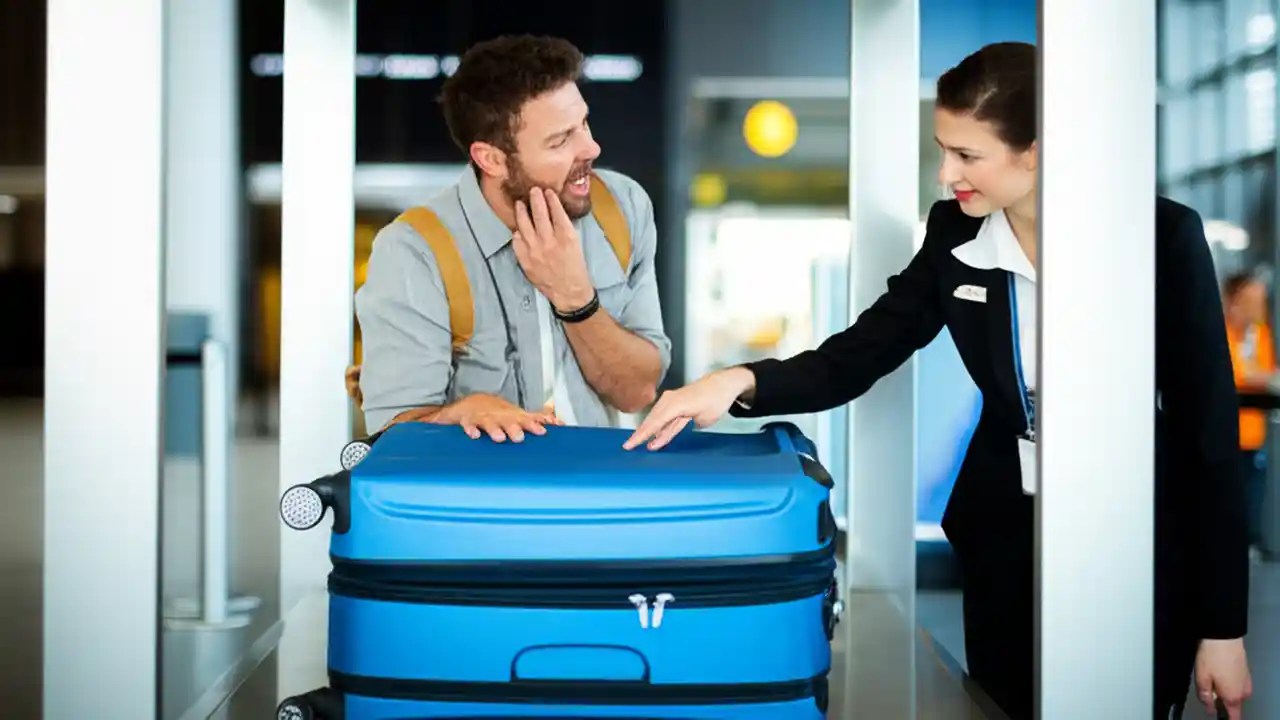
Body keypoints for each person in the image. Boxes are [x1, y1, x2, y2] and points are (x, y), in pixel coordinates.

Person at [625, 42, 1252, 720]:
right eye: (943, 149)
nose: (947, 172)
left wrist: (1223, 628)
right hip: (1007, 541)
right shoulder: (955, 233)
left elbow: (1208, 436)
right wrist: (736, 380)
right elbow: (861, 352)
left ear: (1035, 150)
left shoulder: (1160, 236)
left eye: (967, 155)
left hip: (1134, 543)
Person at [352, 35, 671, 441]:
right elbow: (391, 440)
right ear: (492, 159)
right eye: (560, 140)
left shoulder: (623, 207)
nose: (591, 147)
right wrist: (460, 413)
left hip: (597, 496)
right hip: (479, 501)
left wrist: (576, 300)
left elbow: (637, 392)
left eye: (584, 123)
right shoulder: (415, 251)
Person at [1223, 271, 1276, 562]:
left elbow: (1265, 373)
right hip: (1228, 433)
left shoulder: (1260, 335)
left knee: (1253, 494)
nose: (1257, 306)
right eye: (1250, 299)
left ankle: (1249, 542)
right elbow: (1237, 374)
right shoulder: (1221, 332)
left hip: (1254, 432)